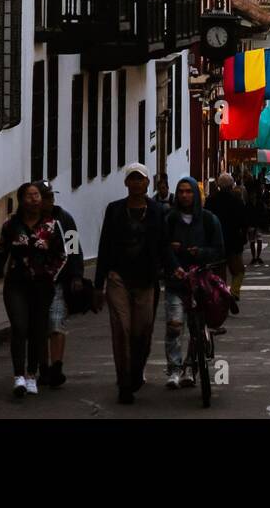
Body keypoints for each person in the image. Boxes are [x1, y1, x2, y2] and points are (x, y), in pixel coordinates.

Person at [93, 163, 172, 404]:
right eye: (132, 179)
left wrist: (173, 269)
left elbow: (164, 245)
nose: (137, 183)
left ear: (148, 183)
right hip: (118, 277)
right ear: (126, 183)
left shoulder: (158, 211)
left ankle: (137, 369)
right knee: (121, 329)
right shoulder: (115, 210)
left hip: (146, 279)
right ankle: (124, 382)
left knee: (142, 330)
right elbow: (104, 246)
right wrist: (98, 285)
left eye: (141, 179)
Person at [0, 182, 65, 398]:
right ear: (21, 199)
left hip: (41, 286)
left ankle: (32, 374)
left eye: (37, 195)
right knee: (19, 327)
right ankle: (18, 376)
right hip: (16, 284)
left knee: (37, 330)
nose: (34, 199)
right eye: (29, 195)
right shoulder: (11, 225)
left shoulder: (52, 226)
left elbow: (62, 255)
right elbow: (1, 252)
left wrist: (50, 276)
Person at [165, 176, 225, 389]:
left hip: (201, 282)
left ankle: (191, 367)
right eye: (181, 191)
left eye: (188, 191)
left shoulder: (209, 220)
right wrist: (173, 263)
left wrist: (201, 253)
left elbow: (219, 249)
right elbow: (161, 247)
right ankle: (173, 368)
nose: (184, 195)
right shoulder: (170, 219)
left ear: (195, 194)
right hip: (176, 281)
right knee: (174, 324)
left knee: (196, 328)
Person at [39, 181, 83, 388]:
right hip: (36, 282)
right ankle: (42, 366)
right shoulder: (30, 220)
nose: (49, 200)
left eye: (51, 196)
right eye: (45, 196)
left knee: (56, 322)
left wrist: (76, 275)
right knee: (39, 327)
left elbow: (74, 247)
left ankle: (56, 366)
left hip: (58, 281)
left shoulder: (65, 218)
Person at [206, 172, 247, 305]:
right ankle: (234, 292)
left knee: (219, 272)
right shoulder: (237, 201)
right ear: (231, 186)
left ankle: (221, 294)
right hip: (234, 242)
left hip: (215, 241)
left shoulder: (210, 200)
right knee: (238, 270)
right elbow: (243, 221)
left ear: (218, 185)